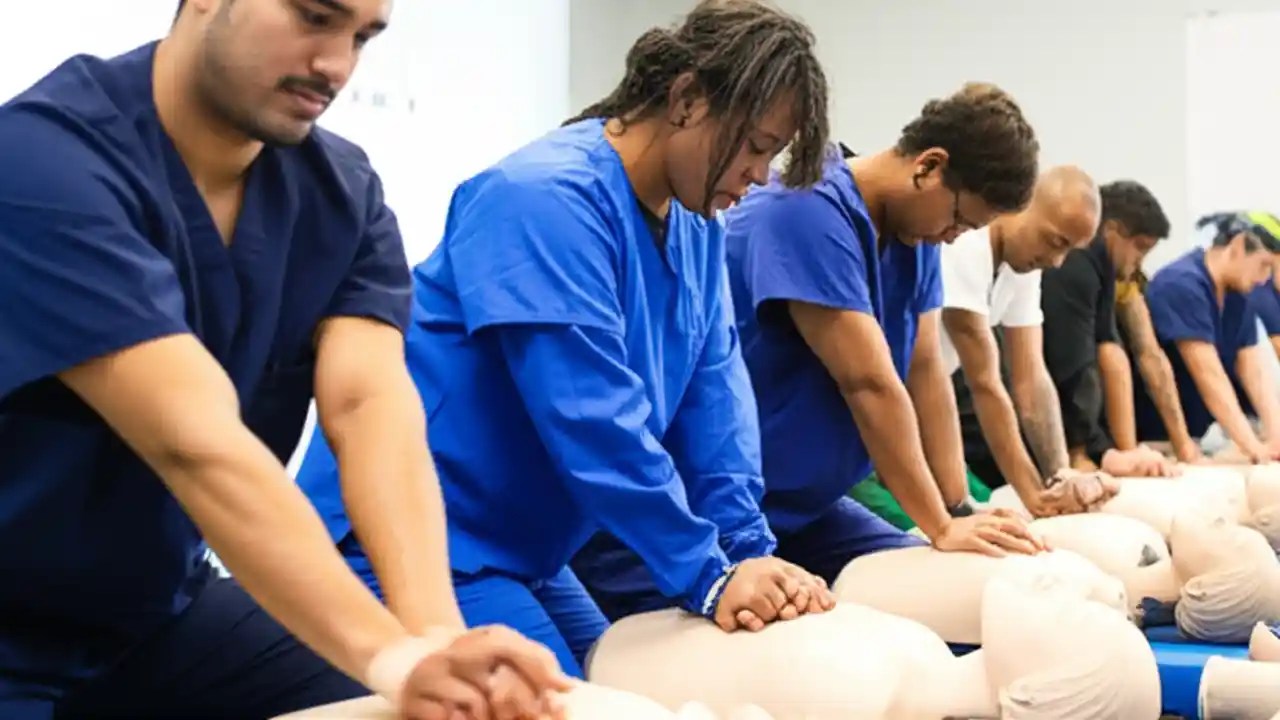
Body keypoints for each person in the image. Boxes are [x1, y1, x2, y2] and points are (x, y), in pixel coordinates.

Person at [0, 1, 572, 719]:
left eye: (361, 37)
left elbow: (369, 412)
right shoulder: (40, 161)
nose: (337, 65)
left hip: (153, 620)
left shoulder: (342, 194)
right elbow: (194, 442)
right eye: (313, 17)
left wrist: (434, 640)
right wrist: (390, 655)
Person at [296, 0, 837, 680]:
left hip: (524, 547)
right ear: (688, 100)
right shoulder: (542, 198)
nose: (759, 175)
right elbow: (591, 417)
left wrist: (749, 550)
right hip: (417, 541)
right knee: (570, 701)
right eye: (755, 146)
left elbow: (715, 405)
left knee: (639, 684)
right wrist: (706, 574)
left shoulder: (698, 228)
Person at [571, 82, 1049, 625]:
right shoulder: (805, 209)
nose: (952, 236)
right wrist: (939, 525)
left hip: (803, 511)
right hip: (704, 509)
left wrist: (959, 511)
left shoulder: (913, 238)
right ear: (929, 167)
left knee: (936, 590)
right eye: (960, 220)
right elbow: (869, 383)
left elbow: (924, 371)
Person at [933, 171, 1172, 515]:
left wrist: (1062, 476)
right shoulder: (967, 246)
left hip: (924, 418)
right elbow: (986, 385)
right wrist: (1036, 498)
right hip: (877, 422)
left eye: (1069, 251)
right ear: (1021, 206)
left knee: (981, 509)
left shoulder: (1024, 267)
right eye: (1056, 242)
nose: (1056, 261)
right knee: (927, 527)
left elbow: (1033, 380)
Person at [1027, 180, 1194, 476]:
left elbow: (1118, 356)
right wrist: (1085, 452)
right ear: (1111, 230)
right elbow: (1071, 363)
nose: (1138, 262)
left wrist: (1127, 452)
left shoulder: (1112, 272)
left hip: (1084, 427)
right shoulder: (1077, 264)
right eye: (1139, 248)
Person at [1138, 211, 1280, 462]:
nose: (1265, 279)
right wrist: (1253, 448)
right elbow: (1209, 376)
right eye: (1264, 265)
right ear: (1237, 247)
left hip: (1195, 439)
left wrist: (1276, 436)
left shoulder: (1237, 295)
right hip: (1153, 441)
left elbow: (1254, 371)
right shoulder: (1181, 284)